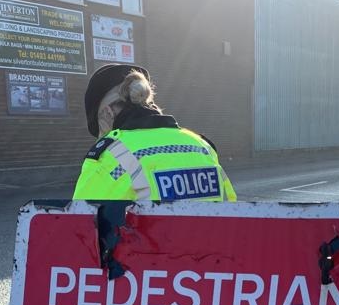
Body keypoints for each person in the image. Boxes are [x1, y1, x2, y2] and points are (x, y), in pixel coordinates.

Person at [74, 63, 236, 202]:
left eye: (100, 129)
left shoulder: (110, 158)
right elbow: (230, 209)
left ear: (108, 113)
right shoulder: (201, 146)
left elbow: (82, 226)